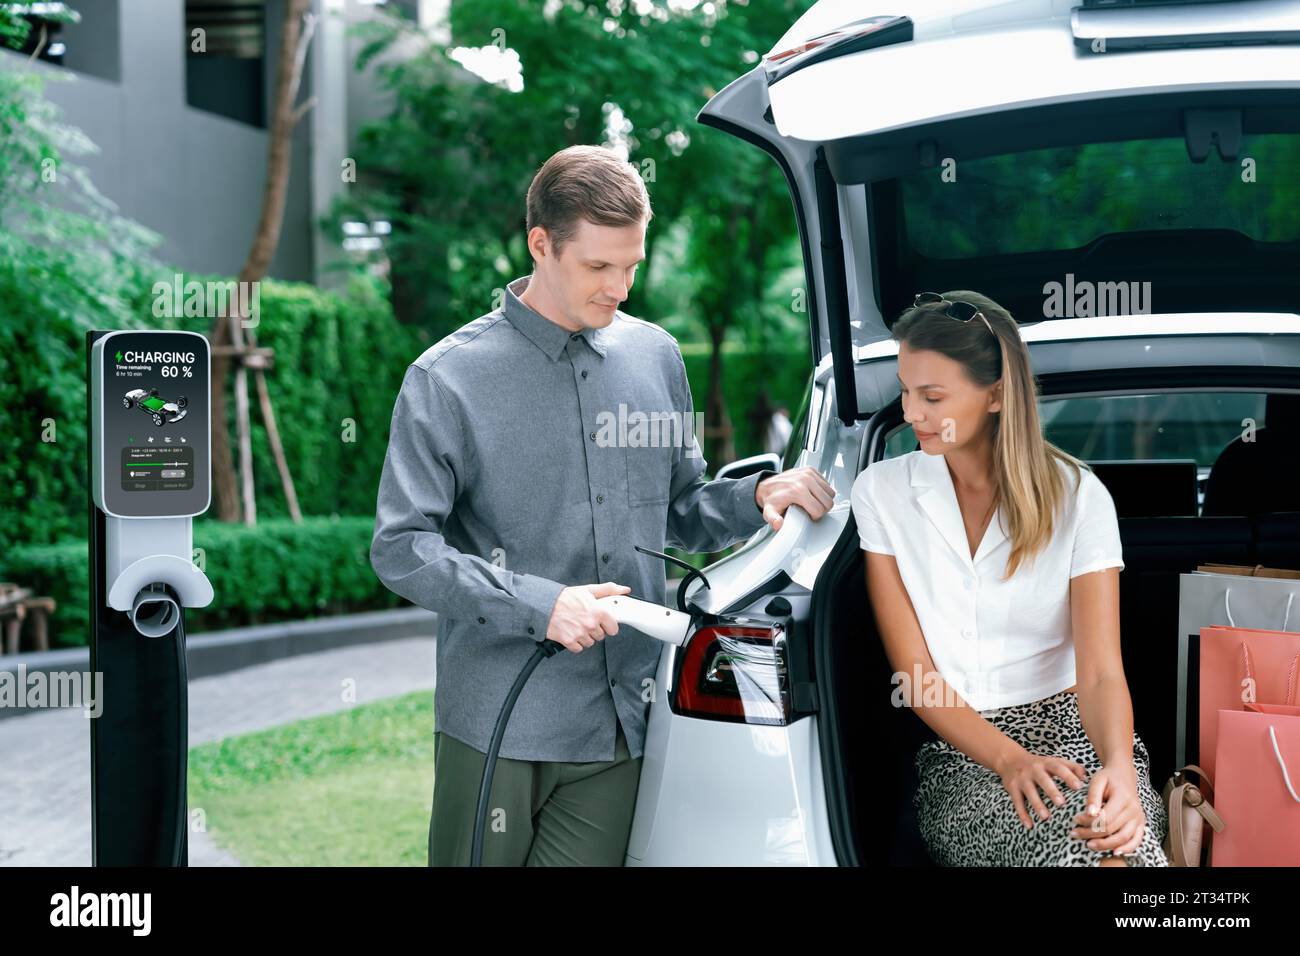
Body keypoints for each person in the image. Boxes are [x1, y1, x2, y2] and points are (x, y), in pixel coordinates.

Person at [369, 144, 836, 866]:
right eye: (598, 267)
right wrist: (540, 603)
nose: (619, 287)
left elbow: (679, 508)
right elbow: (401, 547)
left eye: (632, 265)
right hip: (501, 720)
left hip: (625, 721)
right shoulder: (448, 379)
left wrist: (754, 496)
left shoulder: (655, 357)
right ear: (540, 245)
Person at [849, 290, 1170, 867]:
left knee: (1120, 849)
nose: (911, 413)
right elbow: (916, 675)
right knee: (1080, 852)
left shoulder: (1080, 497)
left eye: (933, 396)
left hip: (1079, 734)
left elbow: (1099, 673)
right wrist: (1010, 760)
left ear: (996, 396)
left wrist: (1120, 770)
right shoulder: (881, 492)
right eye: (905, 390)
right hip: (964, 753)